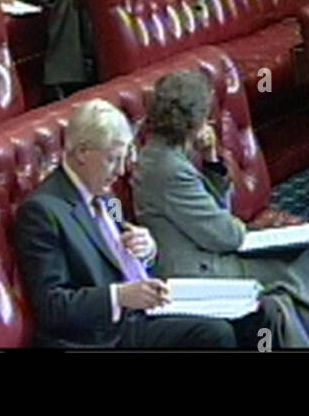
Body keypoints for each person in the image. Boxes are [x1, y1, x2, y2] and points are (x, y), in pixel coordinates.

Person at [131, 70, 309, 348]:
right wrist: (238, 227)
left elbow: (214, 212)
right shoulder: (165, 167)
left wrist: (211, 161)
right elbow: (225, 235)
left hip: (210, 250)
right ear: (193, 120)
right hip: (198, 268)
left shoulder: (175, 152)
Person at [14, 99, 239, 348]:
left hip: (139, 316)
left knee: (247, 318)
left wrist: (148, 248)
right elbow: (52, 306)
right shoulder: (42, 212)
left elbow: (125, 242)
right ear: (81, 153)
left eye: (124, 159)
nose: (120, 171)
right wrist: (119, 296)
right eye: (112, 160)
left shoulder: (106, 195)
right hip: (98, 336)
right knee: (215, 335)